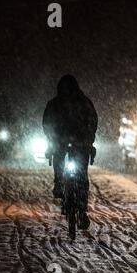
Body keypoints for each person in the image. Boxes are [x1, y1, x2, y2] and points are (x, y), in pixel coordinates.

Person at [43, 74, 98, 229]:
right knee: (73, 170)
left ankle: (81, 210)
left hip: (77, 142)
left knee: (80, 176)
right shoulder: (79, 102)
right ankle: (60, 183)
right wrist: (53, 139)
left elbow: (92, 121)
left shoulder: (77, 103)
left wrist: (87, 139)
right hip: (68, 142)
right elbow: (48, 123)